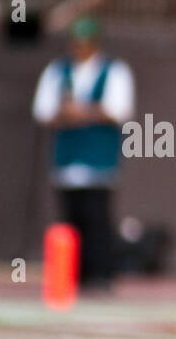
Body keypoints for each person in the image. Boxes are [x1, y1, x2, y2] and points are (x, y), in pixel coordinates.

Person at [31, 17, 135, 291]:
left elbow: (118, 109)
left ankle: (101, 276)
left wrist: (83, 112)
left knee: (97, 219)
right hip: (66, 158)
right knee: (70, 219)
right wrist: (67, 114)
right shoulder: (58, 70)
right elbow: (43, 111)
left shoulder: (114, 70)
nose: (81, 48)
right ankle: (71, 277)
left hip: (99, 160)